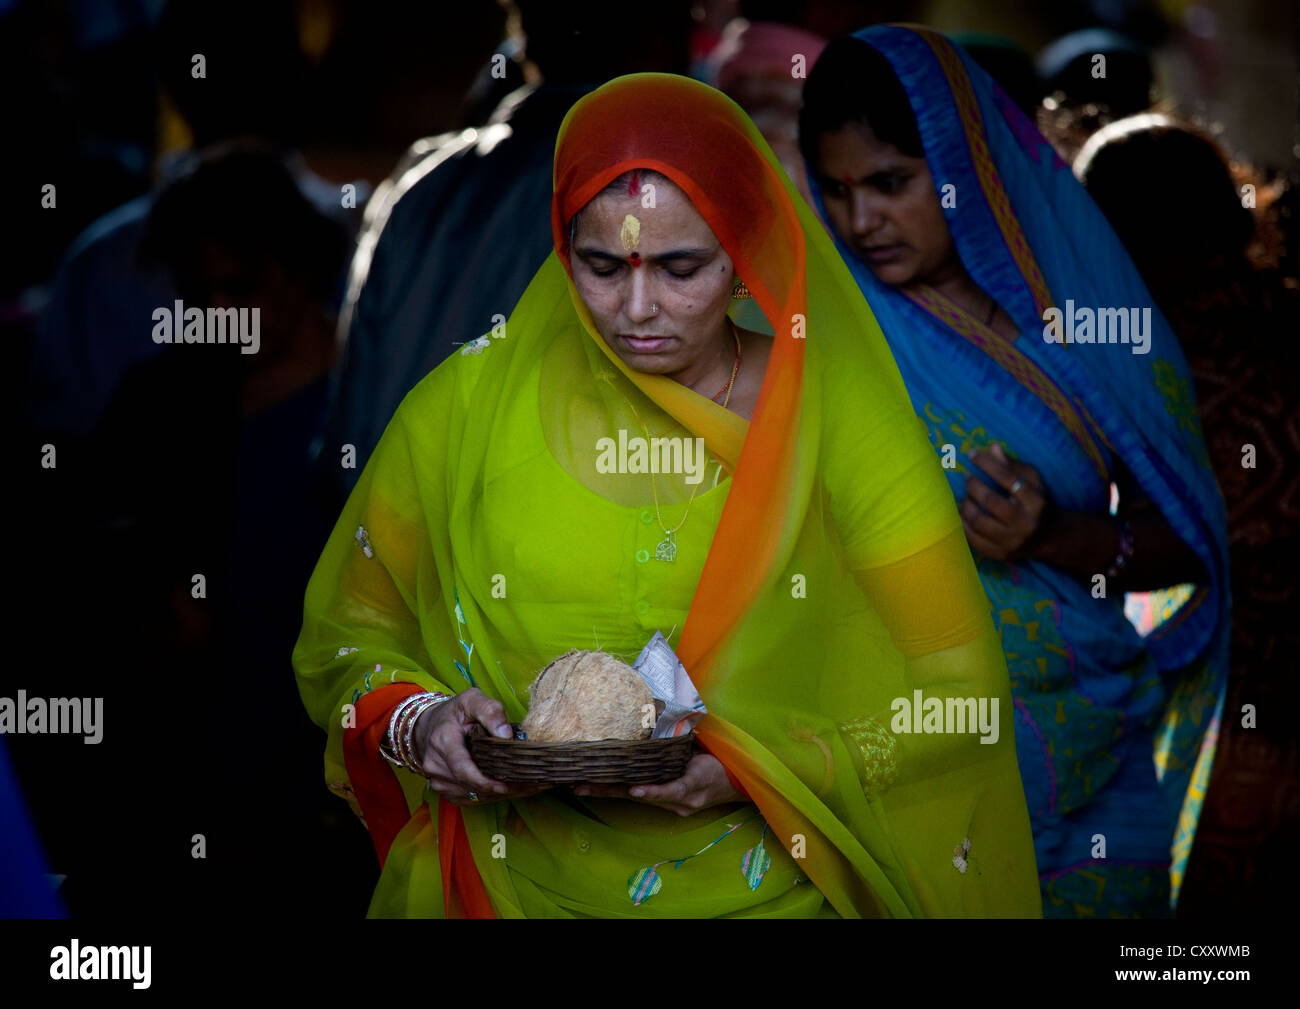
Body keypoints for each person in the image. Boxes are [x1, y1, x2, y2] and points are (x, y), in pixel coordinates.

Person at [293, 72, 1040, 918]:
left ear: (744, 253)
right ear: (560, 245)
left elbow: (962, 687)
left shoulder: (834, 421)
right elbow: (348, 639)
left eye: (681, 266)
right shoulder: (463, 411)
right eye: (602, 265)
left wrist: (769, 770)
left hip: (773, 897)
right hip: (512, 888)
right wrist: (419, 722)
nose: (637, 309)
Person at [798, 25, 1229, 917]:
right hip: (914, 769)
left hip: (1098, 743)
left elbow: (1184, 542)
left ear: (965, 164)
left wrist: (1055, 535)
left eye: (890, 183)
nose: (860, 221)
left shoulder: (1082, 319)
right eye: (836, 191)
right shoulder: (822, 329)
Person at [1077, 115, 1300, 914]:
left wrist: (1041, 536)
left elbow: (1186, 545)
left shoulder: (1187, 361)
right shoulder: (1272, 314)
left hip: (1250, 718)